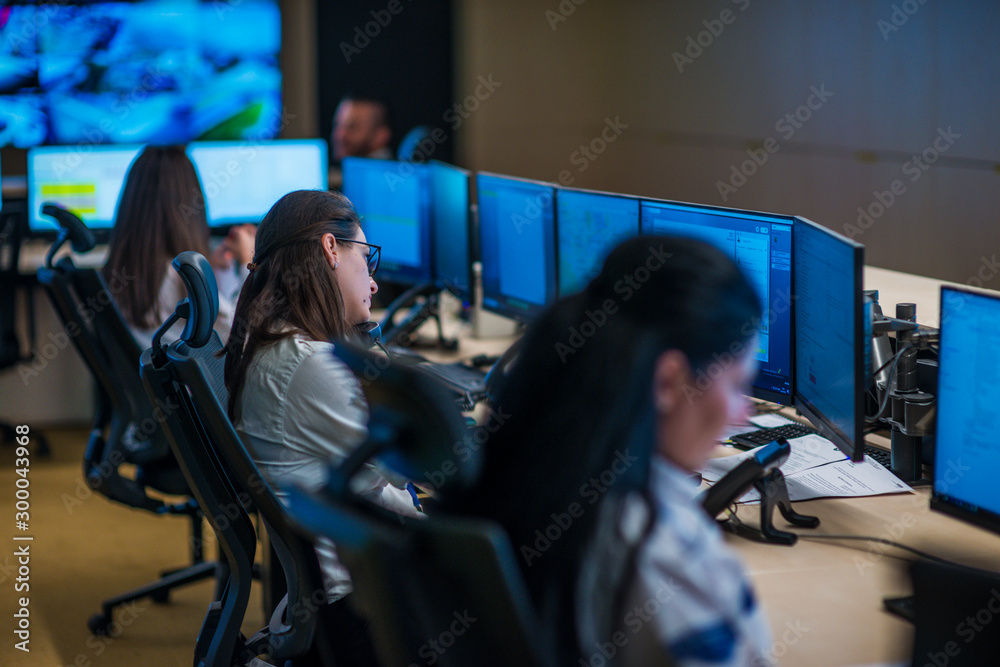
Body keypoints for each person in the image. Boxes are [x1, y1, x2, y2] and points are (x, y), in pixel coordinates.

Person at [447, 236, 773, 666]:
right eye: (736, 385)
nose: (743, 415)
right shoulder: (668, 552)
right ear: (668, 382)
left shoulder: (522, 466)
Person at [223, 189, 420, 665]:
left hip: (338, 593)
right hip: (361, 609)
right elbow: (412, 470)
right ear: (331, 249)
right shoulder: (309, 365)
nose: (373, 283)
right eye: (366, 259)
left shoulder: (276, 343)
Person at [102, 145, 255, 349]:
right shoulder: (183, 279)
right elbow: (248, 337)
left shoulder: (120, 273)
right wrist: (249, 262)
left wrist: (216, 268)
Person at [331, 96, 393, 162]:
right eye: (336, 125)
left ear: (381, 135)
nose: (340, 135)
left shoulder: (393, 167)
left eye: (352, 127)